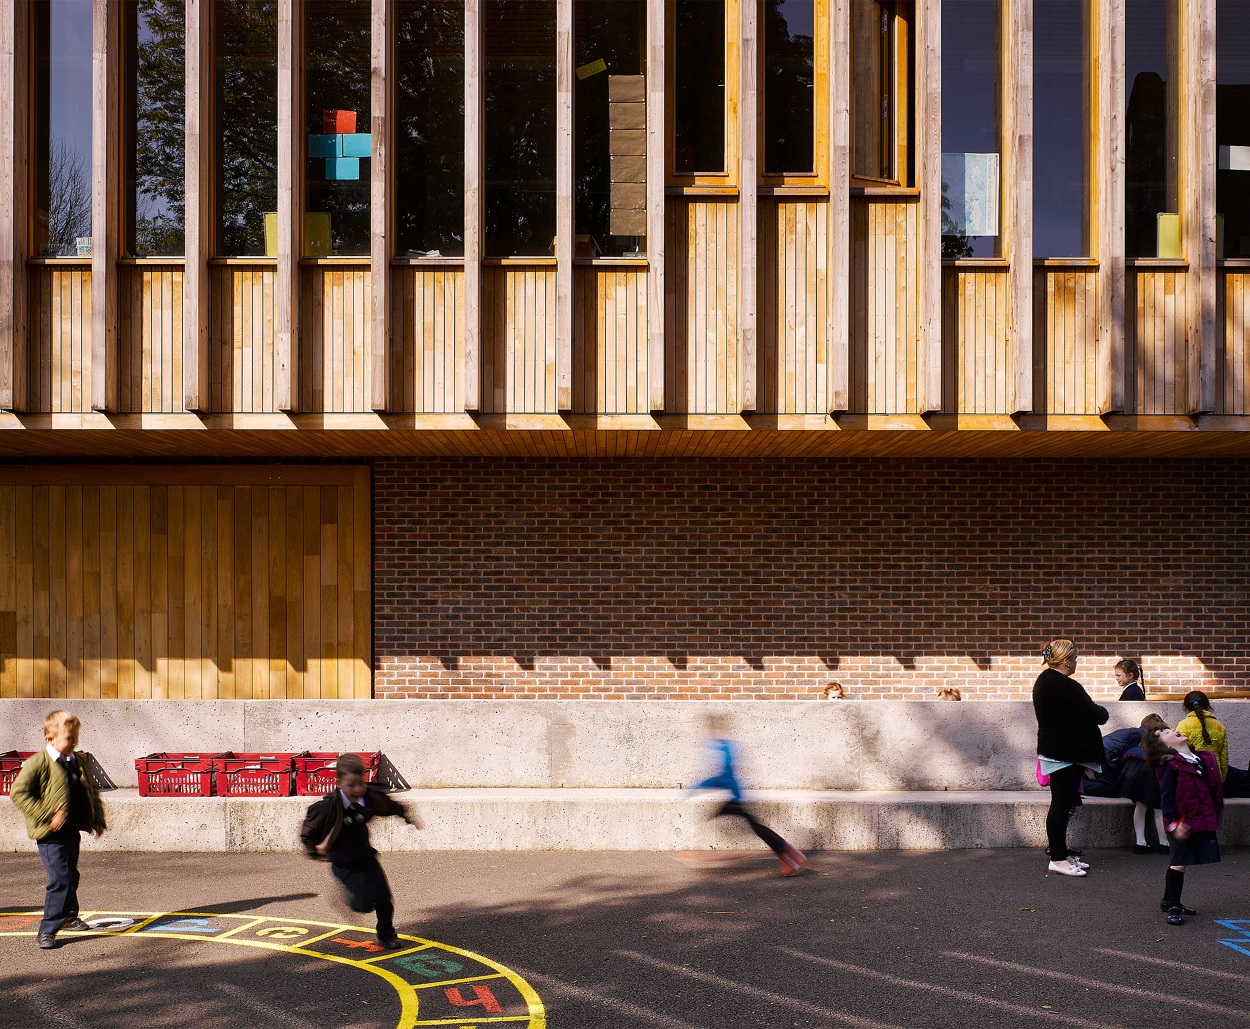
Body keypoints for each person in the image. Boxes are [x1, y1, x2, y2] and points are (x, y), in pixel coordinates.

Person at [299, 753, 422, 948]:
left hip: (366, 858)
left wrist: (408, 818)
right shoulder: (328, 807)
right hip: (344, 864)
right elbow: (308, 831)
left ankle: (386, 935)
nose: (357, 789)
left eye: (361, 784)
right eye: (351, 785)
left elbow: (389, 805)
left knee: (384, 899)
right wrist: (316, 850)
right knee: (364, 905)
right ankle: (349, 899)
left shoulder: (368, 798)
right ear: (339, 783)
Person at [9, 710, 108, 950]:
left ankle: (70, 916)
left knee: (71, 875)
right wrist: (47, 814)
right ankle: (47, 929)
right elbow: (18, 793)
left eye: (75, 737)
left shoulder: (77, 761)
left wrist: (97, 819)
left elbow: (90, 792)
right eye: (68, 738)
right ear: (50, 737)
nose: (73, 742)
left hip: (71, 829)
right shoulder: (38, 763)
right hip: (49, 833)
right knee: (60, 879)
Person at [688, 713, 809, 876]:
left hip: (736, 796)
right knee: (755, 827)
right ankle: (789, 854)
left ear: (713, 729)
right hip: (738, 794)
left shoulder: (722, 747)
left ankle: (790, 854)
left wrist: (697, 786)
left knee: (753, 827)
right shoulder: (727, 745)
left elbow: (723, 775)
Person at [1032, 639, 1109, 876]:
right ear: (1066, 661)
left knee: (1061, 804)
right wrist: (1102, 712)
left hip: (1058, 752)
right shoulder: (1066, 685)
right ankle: (1057, 858)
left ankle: (1061, 853)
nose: (1076, 663)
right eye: (1074, 659)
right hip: (1066, 754)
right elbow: (1097, 714)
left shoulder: (1045, 682)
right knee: (1061, 805)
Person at [1144, 724, 1223, 925]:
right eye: (1163, 734)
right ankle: (1174, 906)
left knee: (1180, 861)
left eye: (1168, 729)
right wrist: (1173, 824)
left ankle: (1167, 900)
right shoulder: (1171, 766)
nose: (1170, 731)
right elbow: (1166, 798)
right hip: (1181, 823)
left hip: (1196, 818)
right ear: (1163, 747)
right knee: (1179, 863)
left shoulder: (1199, 759)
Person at [1176, 691, 1228, 781]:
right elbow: (1224, 758)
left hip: (1192, 777)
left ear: (1186, 708)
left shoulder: (1183, 725)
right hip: (1214, 776)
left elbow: (1178, 755)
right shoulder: (1220, 727)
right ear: (1208, 706)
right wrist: (1221, 779)